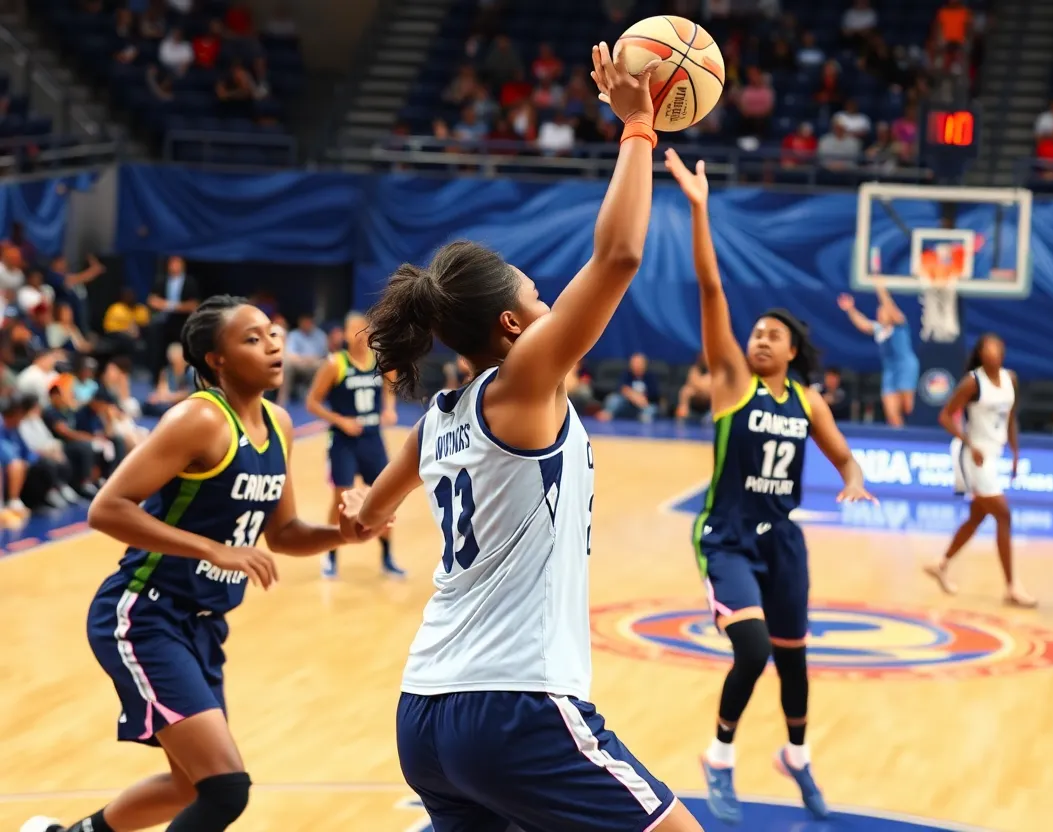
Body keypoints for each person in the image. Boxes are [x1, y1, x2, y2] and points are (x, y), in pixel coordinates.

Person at [343, 43, 704, 832]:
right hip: (512, 704)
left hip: (423, 713)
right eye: (540, 297)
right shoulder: (524, 383)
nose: (552, 306)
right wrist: (637, 127)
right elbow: (620, 255)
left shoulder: (438, 421)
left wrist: (354, 514)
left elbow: (368, 516)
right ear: (512, 325)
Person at [22, 296, 391, 832]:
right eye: (252, 339)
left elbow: (284, 533)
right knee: (224, 790)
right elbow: (107, 508)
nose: (273, 345)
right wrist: (211, 548)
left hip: (202, 623)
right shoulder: (198, 419)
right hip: (144, 612)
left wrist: (347, 534)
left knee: (190, 787)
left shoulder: (278, 423)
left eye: (272, 333)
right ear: (217, 359)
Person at [665, 149, 873, 824]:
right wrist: (700, 209)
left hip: (783, 541)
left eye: (771, 335)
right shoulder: (732, 383)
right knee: (751, 649)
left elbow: (844, 457)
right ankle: (719, 756)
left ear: (791, 351)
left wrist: (854, 480)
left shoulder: (809, 402)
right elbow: (711, 290)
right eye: (755, 332)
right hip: (727, 539)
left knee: (794, 661)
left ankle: (797, 756)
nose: (758, 339)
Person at [924, 333, 1037, 608]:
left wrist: (1015, 452)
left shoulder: (1010, 379)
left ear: (1003, 351)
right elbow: (945, 416)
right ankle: (1012, 587)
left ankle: (942, 564)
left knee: (977, 517)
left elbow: (1010, 418)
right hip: (974, 457)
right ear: (980, 353)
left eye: (996, 347)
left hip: (994, 455)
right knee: (1004, 515)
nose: (992, 351)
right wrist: (968, 442)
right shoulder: (973, 382)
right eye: (987, 347)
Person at [305, 311, 404, 579]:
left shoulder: (380, 361)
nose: (360, 335)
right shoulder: (335, 364)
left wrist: (390, 408)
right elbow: (312, 402)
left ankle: (387, 557)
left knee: (384, 499)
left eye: (364, 329)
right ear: (345, 335)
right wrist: (340, 420)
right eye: (354, 329)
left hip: (372, 439)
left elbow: (391, 383)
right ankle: (330, 554)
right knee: (341, 498)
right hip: (343, 441)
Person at [837, 281, 919, 426]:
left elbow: (888, 303)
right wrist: (850, 309)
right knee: (891, 410)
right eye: (878, 311)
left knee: (907, 407)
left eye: (883, 310)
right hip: (890, 370)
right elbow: (862, 324)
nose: (880, 313)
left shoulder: (899, 324)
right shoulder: (878, 329)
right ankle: (899, 434)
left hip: (905, 366)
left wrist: (879, 286)